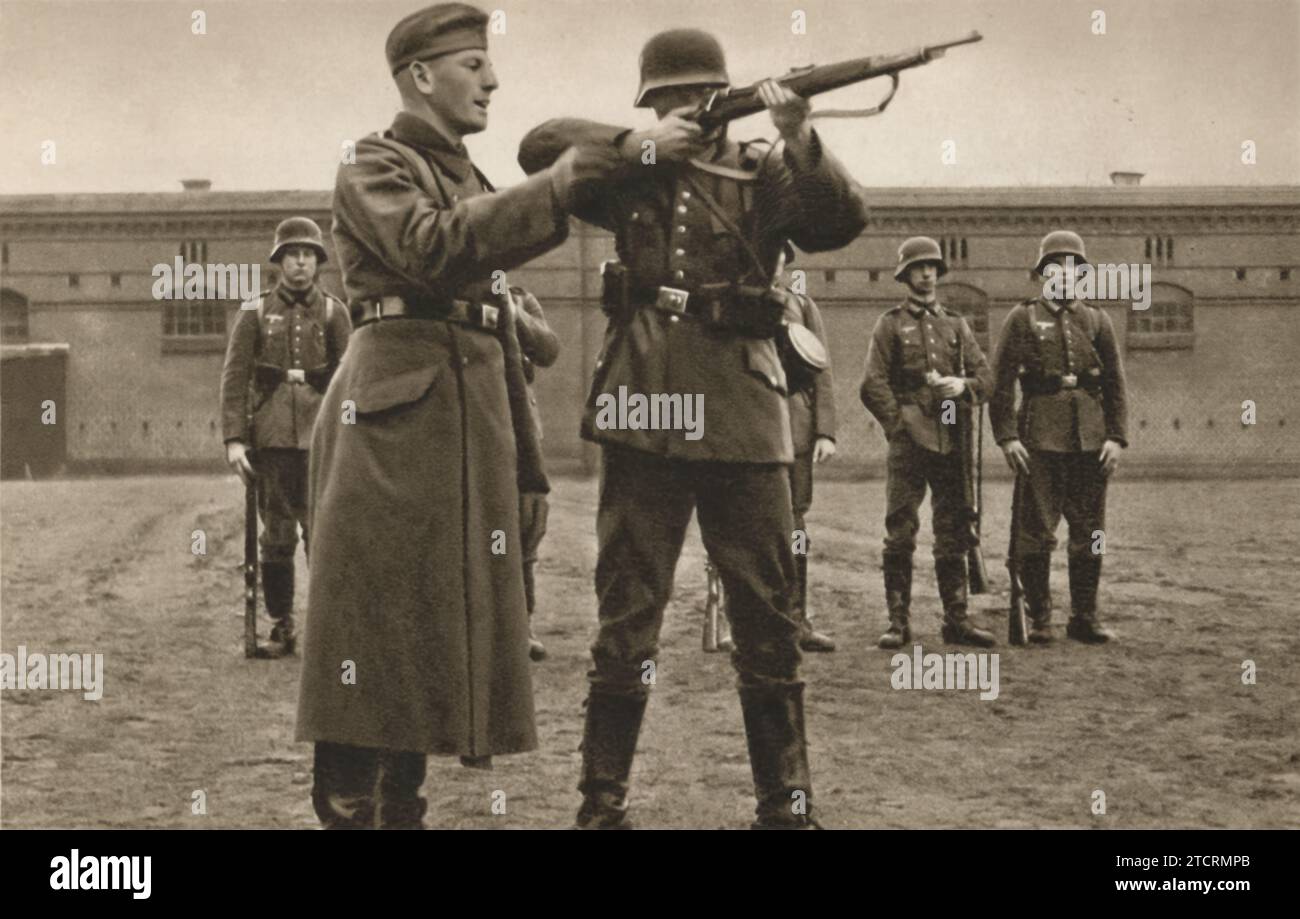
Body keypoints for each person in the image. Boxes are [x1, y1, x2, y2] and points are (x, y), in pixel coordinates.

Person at [518, 27, 867, 828]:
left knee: (766, 613)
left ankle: (786, 801)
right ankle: (601, 802)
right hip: (644, 409)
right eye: (670, 100)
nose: (687, 111)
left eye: (696, 97)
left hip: (744, 414)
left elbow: (841, 220)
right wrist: (642, 146)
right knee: (627, 614)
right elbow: (537, 148)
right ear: (651, 106)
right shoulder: (630, 173)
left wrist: (799, 134)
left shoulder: (764, 170)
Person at [295, 2, 616, 829]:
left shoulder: (474, 182)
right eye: (473, 65)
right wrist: (560, 184)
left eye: (488, 63)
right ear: (421, 76)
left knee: (429, 646)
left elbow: (498, 328)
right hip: (390, 431)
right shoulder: (374, 163)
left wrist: (530, 469)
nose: (493, 80)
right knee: (368, 639)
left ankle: (402, 817)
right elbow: (435, 248)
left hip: (469, 435)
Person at [219, 216, 351, 657]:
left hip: (322, 440)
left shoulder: (334, 311)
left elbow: (351, 379)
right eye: (291, 255)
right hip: (271, 441)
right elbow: (235, 378)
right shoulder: (255, 312)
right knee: (275, 537)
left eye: (308, 255)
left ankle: (328, 623)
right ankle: (281, 623)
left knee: (324, 534)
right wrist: (235, 440)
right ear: (278, 262)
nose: (300, 263)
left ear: (318, 262)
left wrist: (352, 436)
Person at [989, 230, 1128, 644]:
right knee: (1035, 533)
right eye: (1056, 268)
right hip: (1039, 440)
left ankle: (1084, 616)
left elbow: (1116, 384)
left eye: (1072, 268)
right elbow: (1000, 384)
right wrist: (1008, 437)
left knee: (1090, 532)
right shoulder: (1022, 318)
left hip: (1090, 441)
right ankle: (1040, 617)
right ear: (1042, 274)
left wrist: (1116, 437)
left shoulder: (1097, 320)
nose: (1065, 276)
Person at [859, 236, 995, 649]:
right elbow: (872, 383)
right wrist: (898, 424)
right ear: (905, 275)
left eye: (933, 267)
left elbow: (986, 378)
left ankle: (956, 620)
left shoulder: (956, 324)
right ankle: (898, 623)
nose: (927, 273)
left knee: (953, 528)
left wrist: (963, 384)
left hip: (951, 433)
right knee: (900, 529)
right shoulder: (890, 324)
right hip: (909, 437)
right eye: (919, 267)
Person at [514, 286, 560, 662]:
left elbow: (548, 350)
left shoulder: (520, 298)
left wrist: (513, 311)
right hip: (471, 422)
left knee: (526, 524)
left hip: (521, 429)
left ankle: (521, 624)